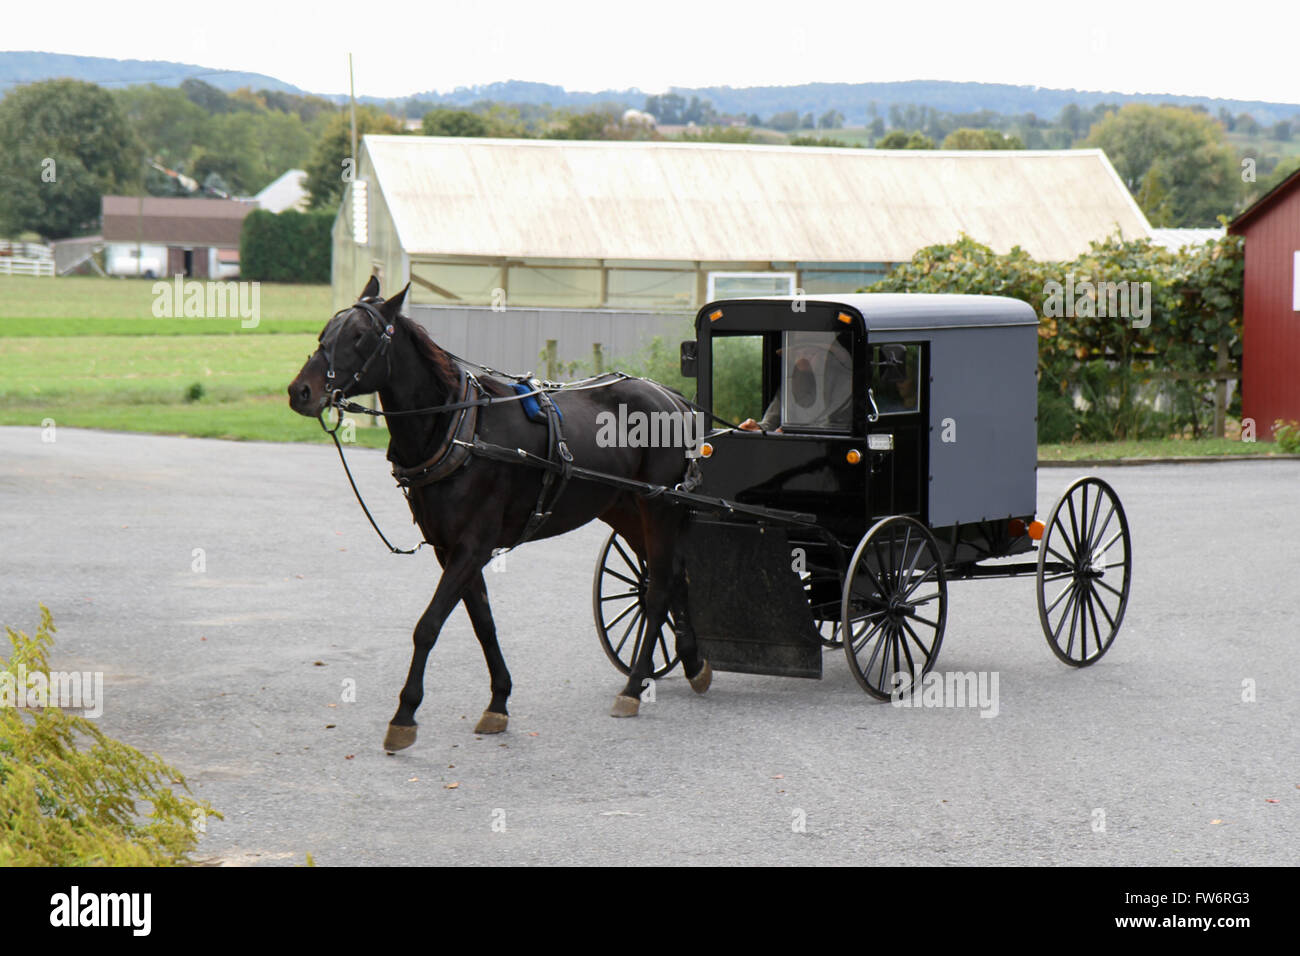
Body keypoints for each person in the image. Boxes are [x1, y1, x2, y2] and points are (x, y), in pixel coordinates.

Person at [738, 332, 853, 433]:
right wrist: (757, 428)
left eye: (810, 352)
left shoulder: (845, 383)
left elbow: (837, 428)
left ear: (827, 355)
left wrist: (787, 433)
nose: (803, 357)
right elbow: (771, 422)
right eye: (797, 352)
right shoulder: (790, 384)